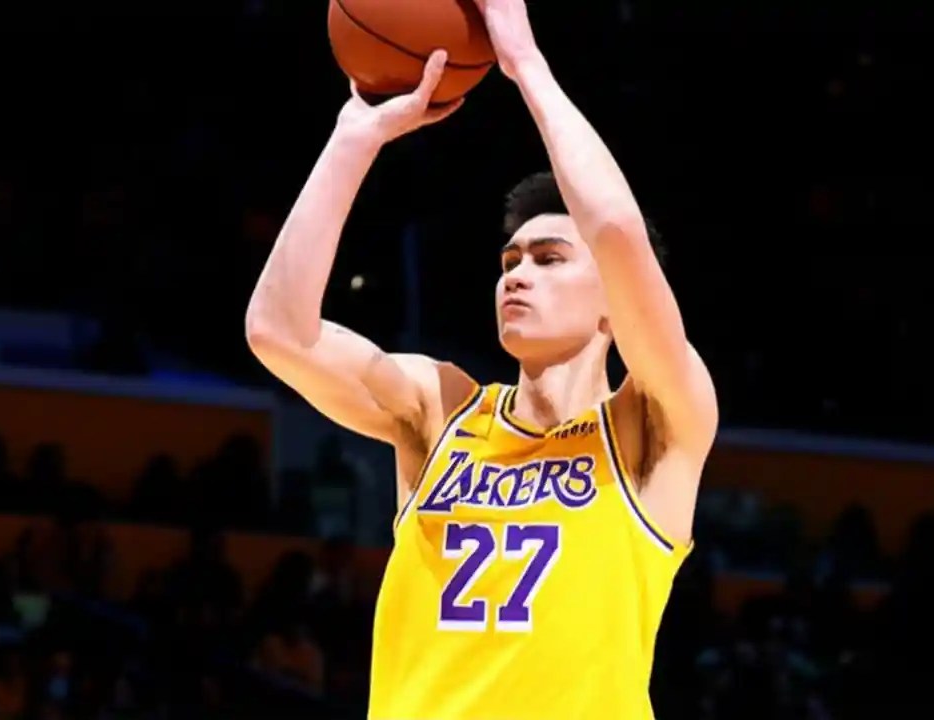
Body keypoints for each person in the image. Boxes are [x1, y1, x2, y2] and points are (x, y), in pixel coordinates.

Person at [245, 1, 718, 717]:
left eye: (549, 259)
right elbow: (278, 332)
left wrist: (526, 66)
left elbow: (618, 231)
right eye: (510, 261)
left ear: (612, 304)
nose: (517, 275)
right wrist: (354, 138)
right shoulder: (443, 409)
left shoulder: (651, 425)